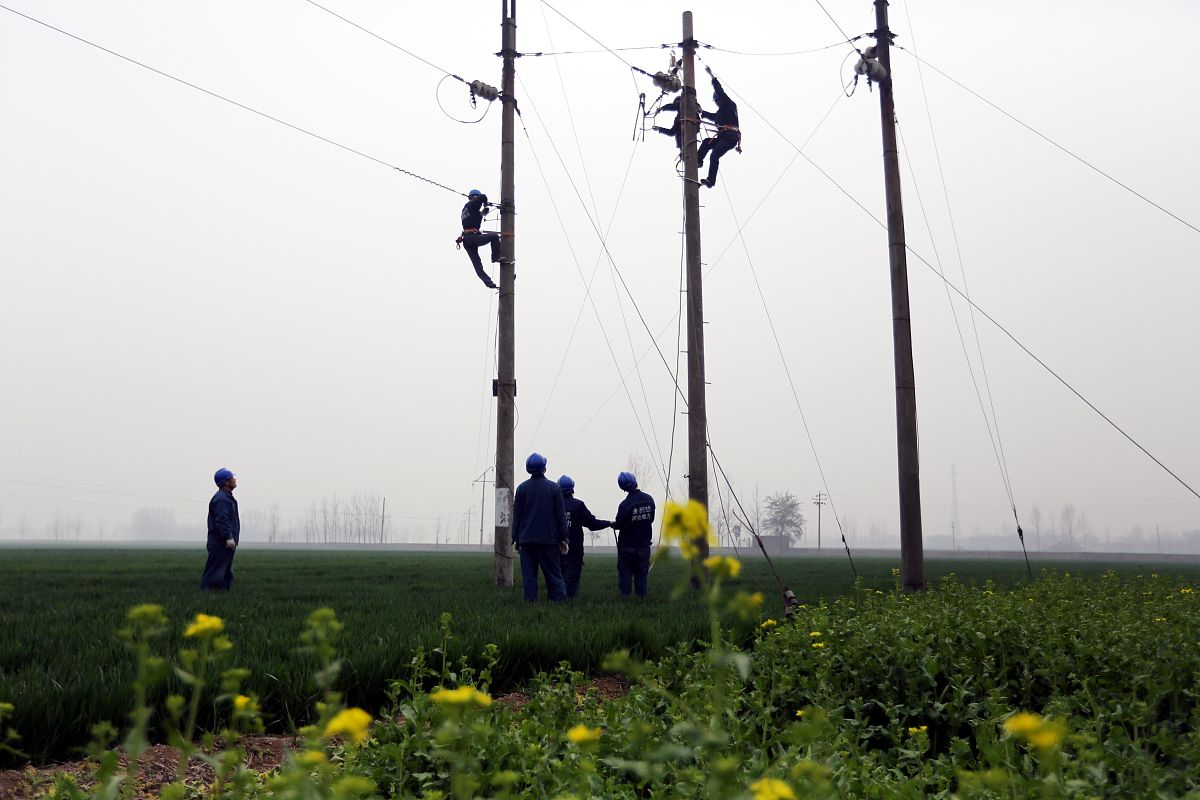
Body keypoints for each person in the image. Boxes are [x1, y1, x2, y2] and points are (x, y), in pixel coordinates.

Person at [512, 453, 568, 602]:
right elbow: (560, 516)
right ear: (544, 468)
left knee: (529, 578)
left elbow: (517, 516)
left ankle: (531, 605)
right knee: (554, 576)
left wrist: (516, 538)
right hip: (549, 541)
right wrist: (563, 538)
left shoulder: (522, 489)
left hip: (527, 541)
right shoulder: (554, 488)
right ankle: (559, 604)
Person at [556, 475, 611, 599]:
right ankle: (569, 603)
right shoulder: (578, 505)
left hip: (556, 549)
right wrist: (608, 523)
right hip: (575, 550)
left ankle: (556, 602)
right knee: (572, 581)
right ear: (572, 489)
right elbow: (592, 524)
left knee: (557, 579)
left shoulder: (553, 505)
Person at [611, 471, 656, 598]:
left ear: (622, 487)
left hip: (627, 546)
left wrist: (614, 524)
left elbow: (619, 524)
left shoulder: (625, 505)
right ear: (635, 481)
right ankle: (641, 597)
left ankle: (625, 598)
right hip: (643, 545)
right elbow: (651, 518)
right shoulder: (649, 499)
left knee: (625, 573)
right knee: (641, 574)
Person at [696, 67, 741, 189]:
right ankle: (698, 160)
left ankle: (711, 181)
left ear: (719, 100)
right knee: (706, 142)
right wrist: (702, 112)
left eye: (716, 101)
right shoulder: (721, 112)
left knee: (714, 155)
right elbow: (713, 117)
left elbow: (719, 90)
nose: (716, 104)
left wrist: (711, 76)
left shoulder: (729, 105)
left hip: (730, 137)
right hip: (724, 137)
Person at [200, 467, 240, 591]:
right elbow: (222, 520)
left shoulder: (227, 498)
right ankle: (207, 594)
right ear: (225, 482)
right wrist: (228, 537)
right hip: (220, 543)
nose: (234, 479)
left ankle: (222, 595)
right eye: (231, 478)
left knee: (225, 572)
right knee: (214, 572)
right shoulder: (221, 499)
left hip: (225, 543)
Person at [456, 189, 500, 289]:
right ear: (475, 198)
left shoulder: (467, 209)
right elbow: (483, 196)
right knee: (494, 236)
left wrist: (483, 213)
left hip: (467, 240)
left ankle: (489, 284)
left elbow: (475, 217)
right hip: (472, 237)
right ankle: (495, 257)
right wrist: (484, 203)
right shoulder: (472, 204)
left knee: (477, 265)